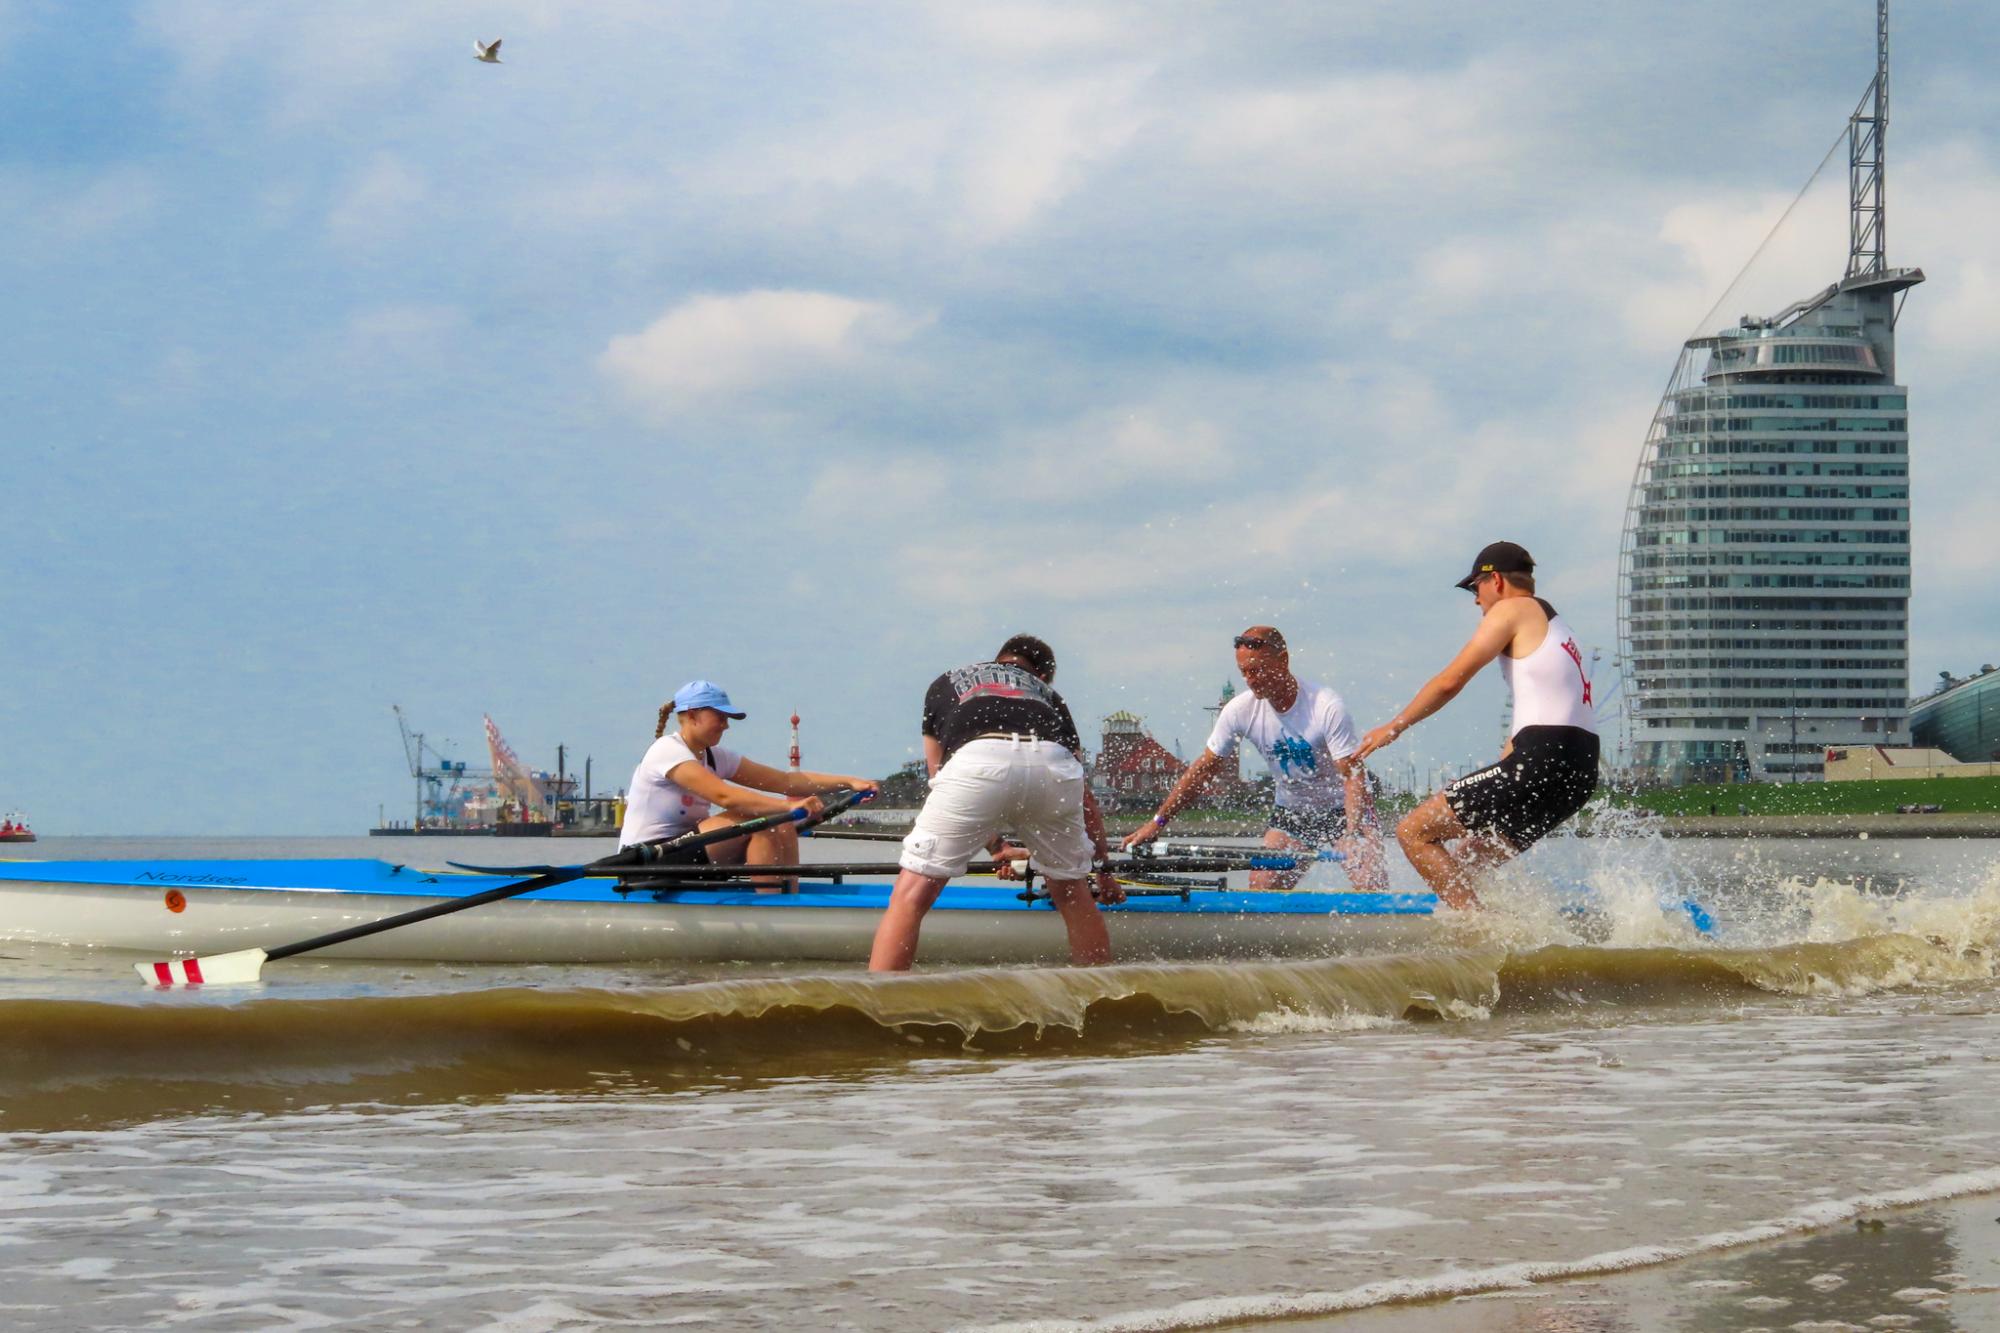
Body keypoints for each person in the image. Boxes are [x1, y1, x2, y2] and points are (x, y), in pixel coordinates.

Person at [1354, 542, 1599, 908]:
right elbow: (1540, 717)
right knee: (1470, 860)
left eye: (1475, 588)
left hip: (1542, 760)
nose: (1475, 601)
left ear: (1495, 580)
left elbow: (1450, 681)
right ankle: (1506, 933)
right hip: (1578, 775)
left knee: (1413, 832)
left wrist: (1394, 726)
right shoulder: (1559, 629)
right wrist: (1505, 767)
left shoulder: (1511, 610)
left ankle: (1476, 933)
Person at [870, 634, 1124, 971]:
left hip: (978, 759)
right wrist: (1102, 870)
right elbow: (1085, 797)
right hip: (1052, 765)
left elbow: (939, 777)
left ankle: (881, 1007)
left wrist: (995, 846)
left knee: (911, 896)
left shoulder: (945, 682)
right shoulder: (1048, 694)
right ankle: (1102, 1003)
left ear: (997, 661)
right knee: (1073, 894)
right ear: (1043, 675)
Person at [1122, 627, 1388, 891]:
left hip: (1346, 811)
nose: (1250, 680)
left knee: (1371, 886)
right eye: (1244, 673)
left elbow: (1352, 777)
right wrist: (1157, 823)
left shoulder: (1326, 706)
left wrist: (1352, 832)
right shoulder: (1240, 710)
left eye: (1257, 670)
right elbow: (1202, 770)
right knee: (1260, 888)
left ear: (1283, 661)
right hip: (1292, 814)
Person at [619, 679, 880, 891]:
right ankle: (772, 911)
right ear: (691, 716)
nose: (726, 725)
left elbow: (786, 781)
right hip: (648, 859)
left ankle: (790, 898)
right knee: (766, 821)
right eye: (720, 717)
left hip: (687, 852)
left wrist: (849, 782)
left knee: (780, 821)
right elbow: (725, 797)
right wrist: (786, 807)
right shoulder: (667, 750)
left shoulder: (715, 756)